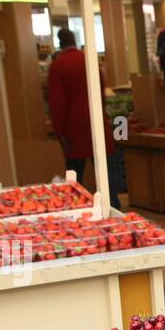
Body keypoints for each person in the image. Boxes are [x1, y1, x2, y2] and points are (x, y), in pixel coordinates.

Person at [47, 27, 121, 210]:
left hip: (74, 129)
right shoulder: (89, 60)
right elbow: (102, 93)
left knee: (75, 177)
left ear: (60, 43)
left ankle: (77, 210)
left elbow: (58, 103)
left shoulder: (58, 65)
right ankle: (113, 208)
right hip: (96, 124)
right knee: (105, 173)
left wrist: (59, 131)